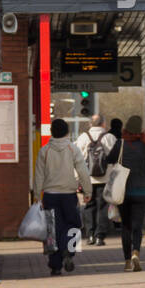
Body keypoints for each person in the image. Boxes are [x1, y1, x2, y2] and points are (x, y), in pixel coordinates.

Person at [33, 118, 93, 276]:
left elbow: (38, 175)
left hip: (50, 196)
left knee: (52, 230)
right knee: (73, 224)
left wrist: (36, 195)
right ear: (67, 132)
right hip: (69, 195)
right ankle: (70, 251)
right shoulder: (73, 149)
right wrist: (88, 192)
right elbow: (83, 173)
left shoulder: (44, 151)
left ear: (51, 132)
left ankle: (55, 265)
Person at [105, 115, 145, 271]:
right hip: (141, 191)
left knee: (126, 226)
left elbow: (109, 159)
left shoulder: (120, 144)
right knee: (137, 226)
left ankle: (127, 261)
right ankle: (136, 252)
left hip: (123, 191)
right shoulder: (144, 144)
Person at [75, 115, 116, 245]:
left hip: (87, 179)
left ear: (90, 124)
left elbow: (77, 160)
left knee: (89, 206)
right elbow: (117, 159)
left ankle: (90, 235)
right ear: (103, 124)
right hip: (106, 179)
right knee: (103, 207)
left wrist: (77, 179)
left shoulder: (82, 138)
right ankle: (100, 236)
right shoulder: (110, 138)